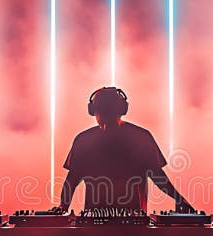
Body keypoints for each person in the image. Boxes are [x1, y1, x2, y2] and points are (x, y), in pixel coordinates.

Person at [58, 87, 195, 213]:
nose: (107, 116)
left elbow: (72, 180)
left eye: (109, 111)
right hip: (133, 220)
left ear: (92, 110)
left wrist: (62, 208)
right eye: (104, 111)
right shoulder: (141, 136)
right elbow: (158, 176)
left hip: (98, 220)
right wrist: (179, 199)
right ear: (123, 109)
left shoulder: (83, 139)